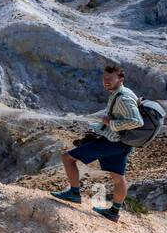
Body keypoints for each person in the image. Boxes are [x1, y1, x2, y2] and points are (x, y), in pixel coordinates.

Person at [51, 64, 144, 221]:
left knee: (67, 158)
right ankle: (114, 212)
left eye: (110, 78)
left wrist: (111, 124)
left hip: (111, 142)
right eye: (104, 78)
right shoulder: (120, 93)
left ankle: (74, 193)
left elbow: (137, 121)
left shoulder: (123, 98)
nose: (106, 81)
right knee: (118, 177)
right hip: (122, 143)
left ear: (120, 79)